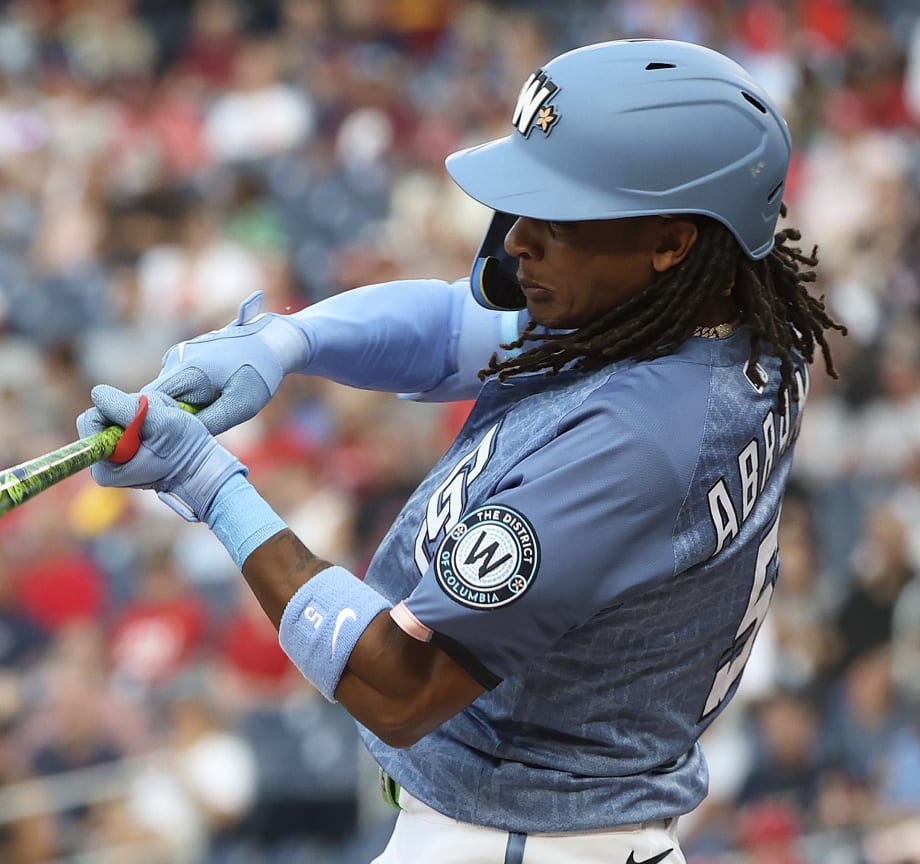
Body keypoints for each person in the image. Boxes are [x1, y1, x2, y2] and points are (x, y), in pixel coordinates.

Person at [76, 39, 846, 863]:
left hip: (518, 839)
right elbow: (454, 327)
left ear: (672, 241)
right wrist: (286, 341)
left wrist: (210, 486)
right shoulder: (703, 318)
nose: (517, 239)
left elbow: (395, 687)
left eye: (560, 214)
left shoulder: (639, 443)